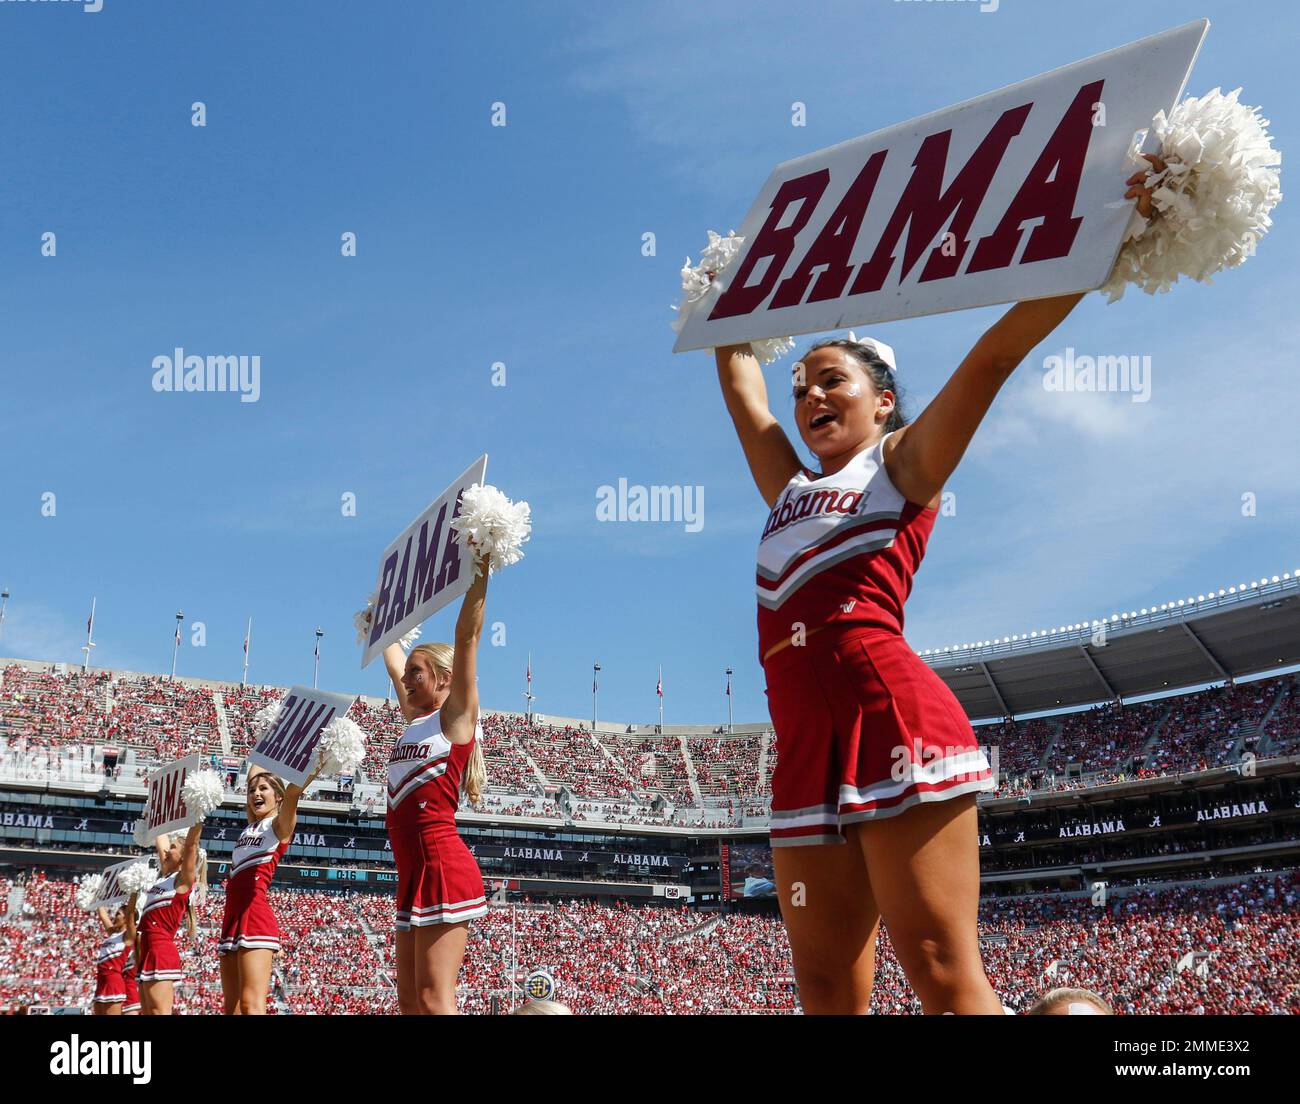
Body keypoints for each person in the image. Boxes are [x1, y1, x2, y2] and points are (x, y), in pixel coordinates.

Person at [713, 158, 1167, 1014]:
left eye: (831, 380)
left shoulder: (903, 463)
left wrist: (1108, 231)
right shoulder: (789, 489)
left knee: (939, 970)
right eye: (802, 384)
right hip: (803, 744)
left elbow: (995, 356)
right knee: (823, 989)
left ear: (883, 401)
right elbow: (739, 382)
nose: (810, 394)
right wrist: (721, 297)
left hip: (890, 718)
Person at [382, 556, 491, 1015]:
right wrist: (381, 621)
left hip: (441, 864)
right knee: (409, 1003)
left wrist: (482, 565)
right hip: (411, 871)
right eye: (406, 674)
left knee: (433, 998)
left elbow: (467, 637)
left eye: (416, 673)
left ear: (445, 679)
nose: (405, 680)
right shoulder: (416, 721)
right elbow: (390, 659)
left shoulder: (455, 720)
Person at [218, 764, 319, 1014]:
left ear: (278, 797)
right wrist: (269, 728)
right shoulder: (251, 825)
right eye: (252, 790)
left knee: (252, 1004)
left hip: (254, 916)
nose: (255, 793)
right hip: (231, 918)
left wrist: (315, 767)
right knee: (231, 1007)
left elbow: (293, 794)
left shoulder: (278, 826)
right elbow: (256, 767)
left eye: (263, 789)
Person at [136, 823, 205, 1015]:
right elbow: (160, 837)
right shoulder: (163, 877)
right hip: (146, 951)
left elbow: (191, 845)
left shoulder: (182, 881)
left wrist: (197, 817)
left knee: (160, 1012)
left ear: (184, 857)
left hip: (160, 950)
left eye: (173, 847)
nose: (167, 850)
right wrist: (153, 815)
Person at [91, 900, 135, 1015]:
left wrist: (134, 893)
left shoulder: (128, 936)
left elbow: (130, 913)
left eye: (118, 914)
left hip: (113, 981)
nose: (114, 917)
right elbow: (102, 915)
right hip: (101, 980)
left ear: (126, 918)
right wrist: (95, 895)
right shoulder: (113, 933)